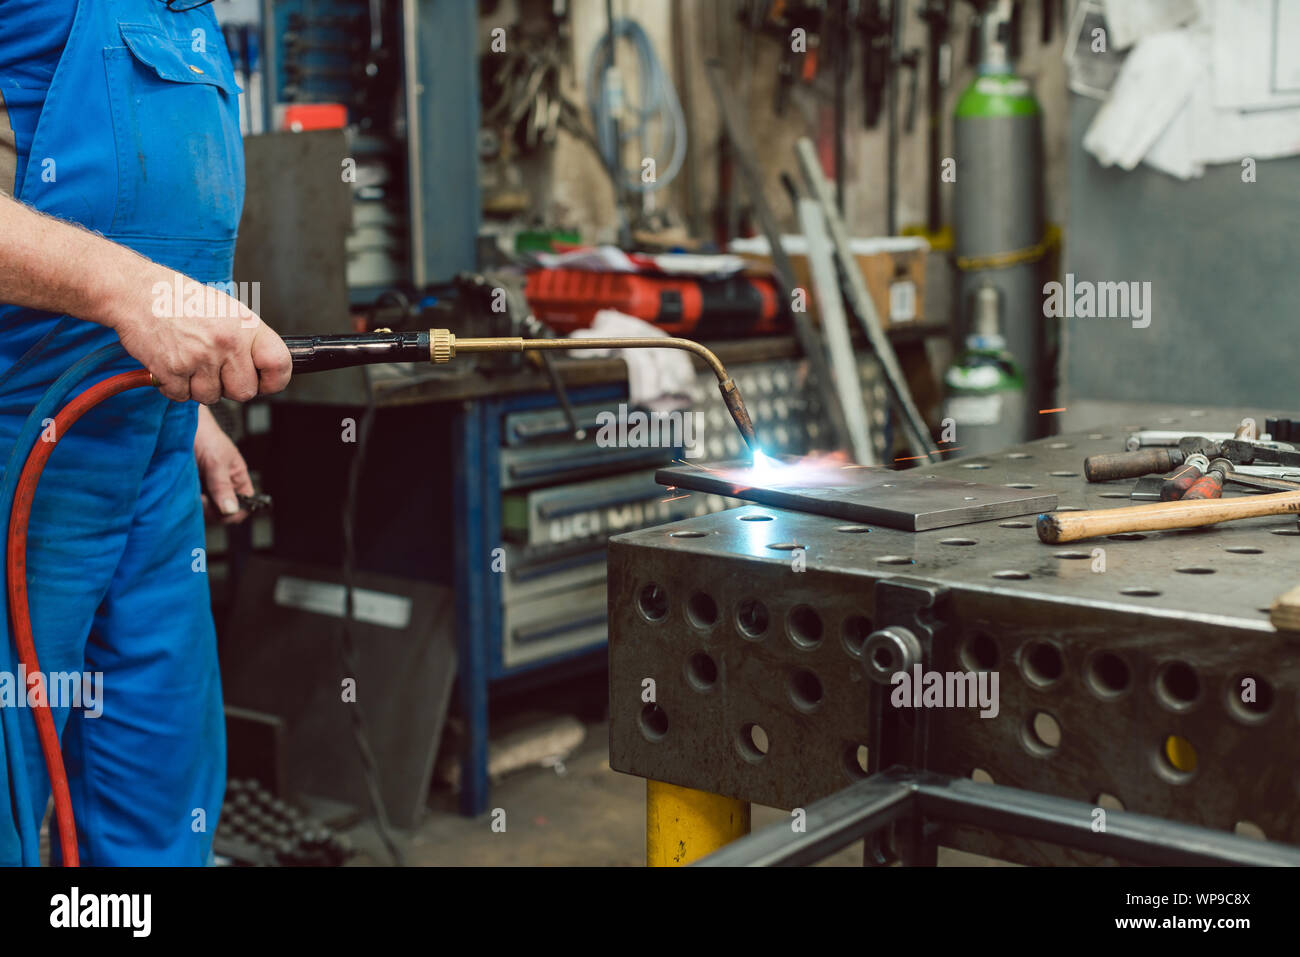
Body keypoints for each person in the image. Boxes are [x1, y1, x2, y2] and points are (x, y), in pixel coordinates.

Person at [0, 0, 291, 864]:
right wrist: (134, 297)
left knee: (157, 804)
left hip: (149, 460)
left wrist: (187, 410)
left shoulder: (189, 15)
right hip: (21, 462)